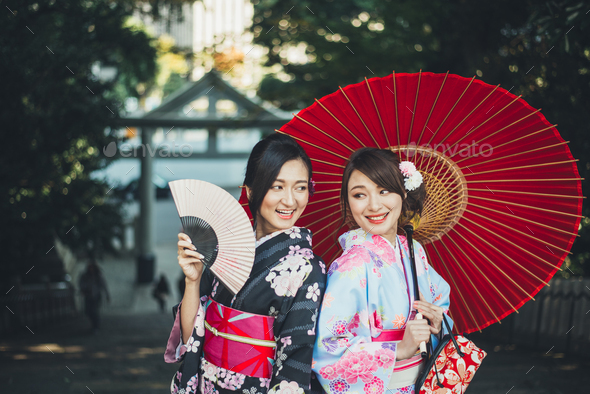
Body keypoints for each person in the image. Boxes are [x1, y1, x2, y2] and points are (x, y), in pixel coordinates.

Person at [164, 133, 327, 394]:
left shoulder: (308, 270)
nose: (290, 200)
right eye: (277, 186)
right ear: (250, 190)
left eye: (300, 187)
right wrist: (192, 281)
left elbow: (296, 361)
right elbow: (192, 338)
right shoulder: (225, 250)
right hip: (207, 385)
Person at [312, 148, 453, 394]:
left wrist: (436, 323)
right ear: (348, 202)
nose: (374, 205)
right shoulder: (351, 265)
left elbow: (440, 301)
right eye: (359, 195)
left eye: (384, 190)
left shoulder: (414, 250)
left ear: (403, 193)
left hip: (423, 384)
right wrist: (398, 349)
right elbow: (328, 347)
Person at [78, 259, 110, 333]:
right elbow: (81, 284)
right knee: (88, 311)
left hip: (96, 296)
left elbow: (104, 285)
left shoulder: (98, 276)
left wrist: (107, 295)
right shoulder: (85, 276)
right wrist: (83, 289)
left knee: (94, 311)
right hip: (88, 295)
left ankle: (96, 326)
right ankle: (94, 324)